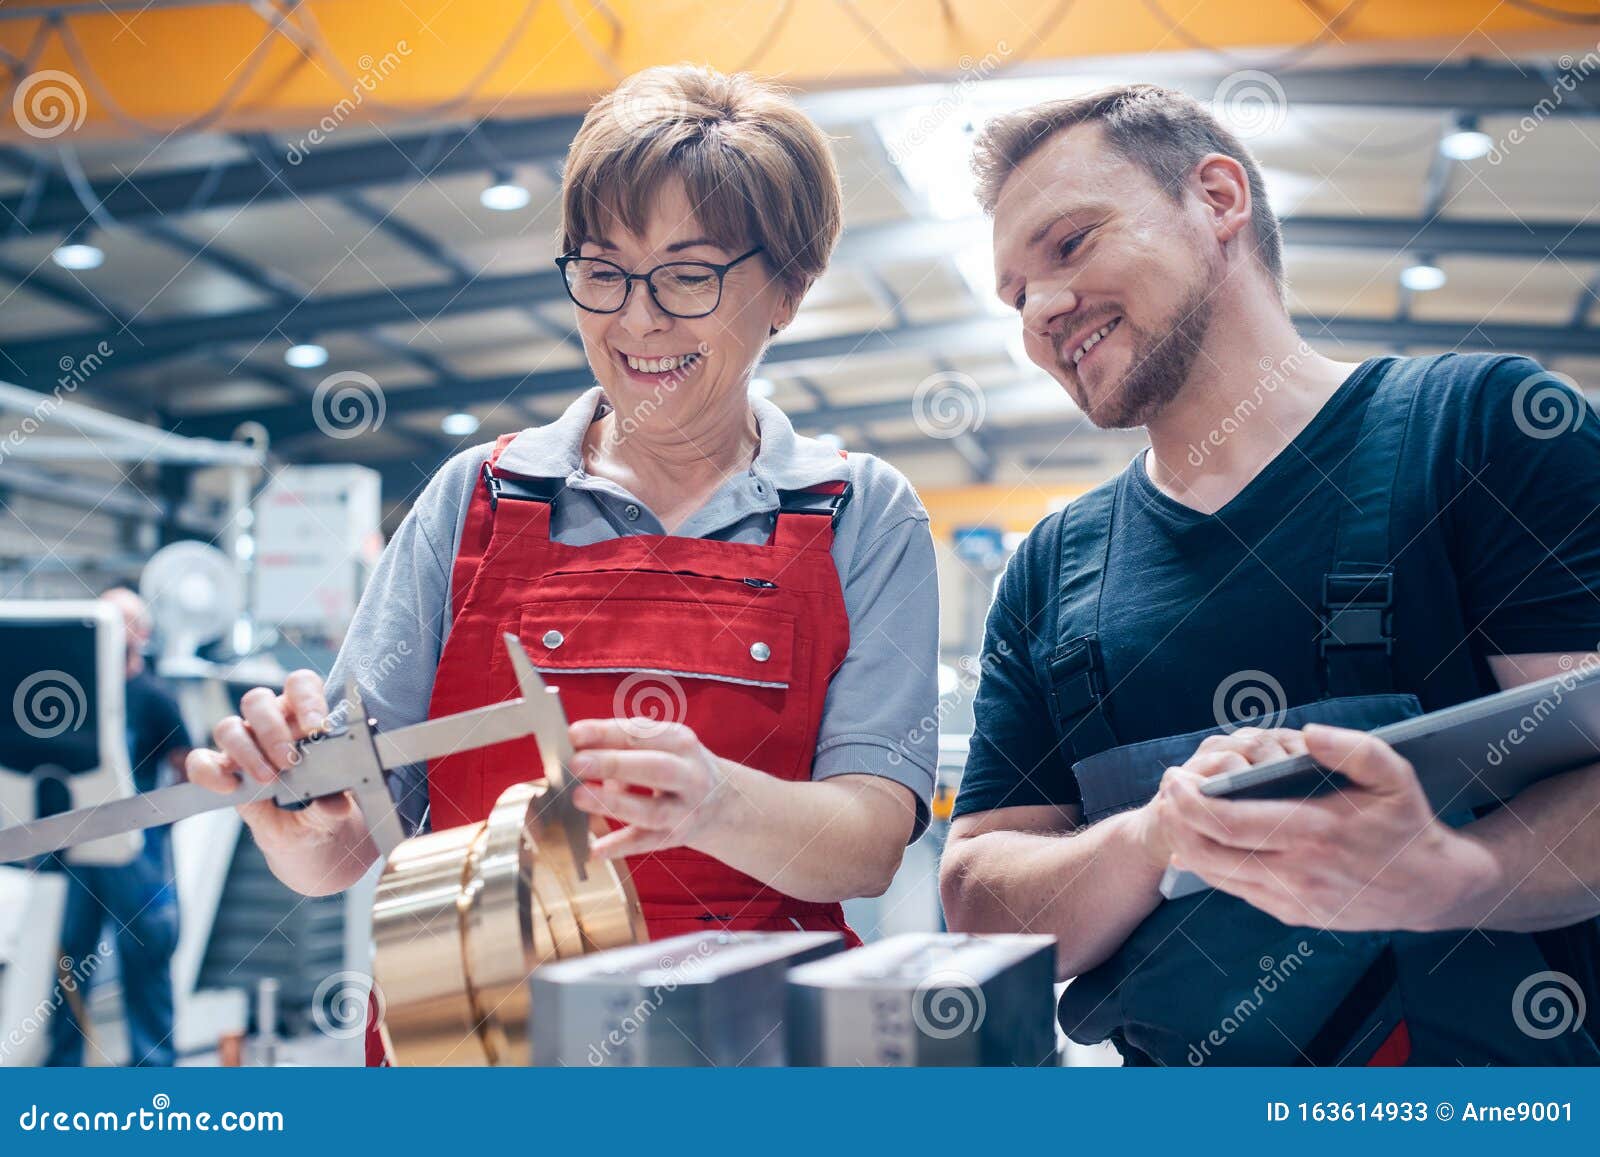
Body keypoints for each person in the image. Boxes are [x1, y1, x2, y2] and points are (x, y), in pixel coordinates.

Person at [186, 65, 939, 1064]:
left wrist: (717, 801)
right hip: (466, 1062)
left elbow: (872, 839)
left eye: (687, 275)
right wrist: (290, 813)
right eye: (601, 270)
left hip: (739, 1062)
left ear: (788, 289)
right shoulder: (474, 499)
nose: (635, 321)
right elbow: (348, 837)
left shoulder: (858, 514)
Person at [939, 84, 1600, 1065]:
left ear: (1216, 199)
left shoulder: (1480, 433)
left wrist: (1456, 872)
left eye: (1069, 245)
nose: (1039, 310)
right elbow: (979, 908)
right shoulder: (1049, 572)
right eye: (1013, 294)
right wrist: (1153, 836)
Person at [48, 587, 190, 1067]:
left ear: (141, 633)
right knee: (69, 966)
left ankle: (154, 1081)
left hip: (138, 854)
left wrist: (163, 818)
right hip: (81, 851)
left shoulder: (154, 699)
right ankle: (58, 1081)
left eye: (122, 618)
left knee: (146, 964)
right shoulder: (78, 695)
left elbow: (186, 763)